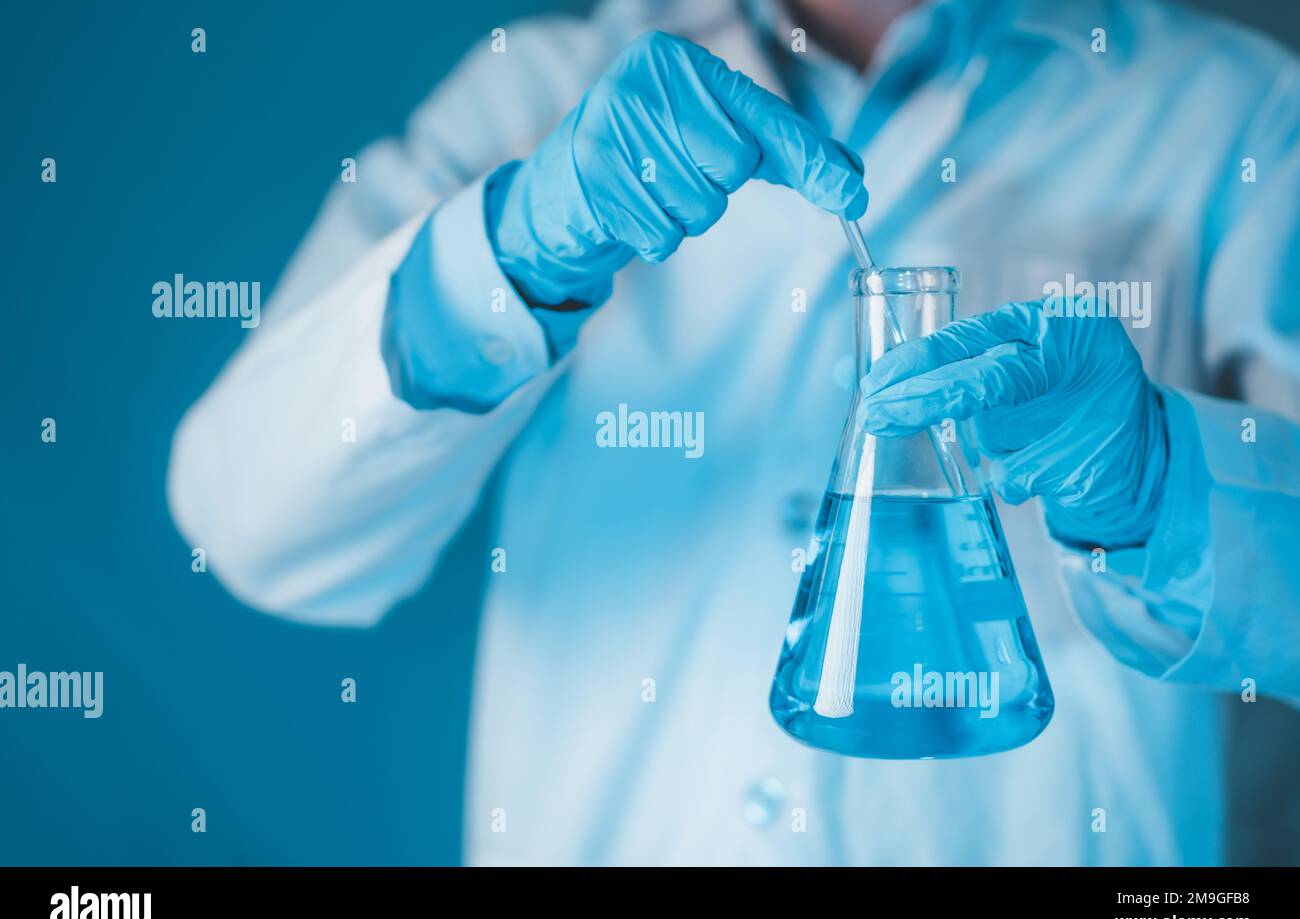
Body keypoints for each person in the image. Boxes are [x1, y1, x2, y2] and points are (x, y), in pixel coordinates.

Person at [167, 0, 1300, 865]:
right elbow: (247, 524)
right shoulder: (548, 85)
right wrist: (516, 249)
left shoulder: (1232, 112)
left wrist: (1162, 484)